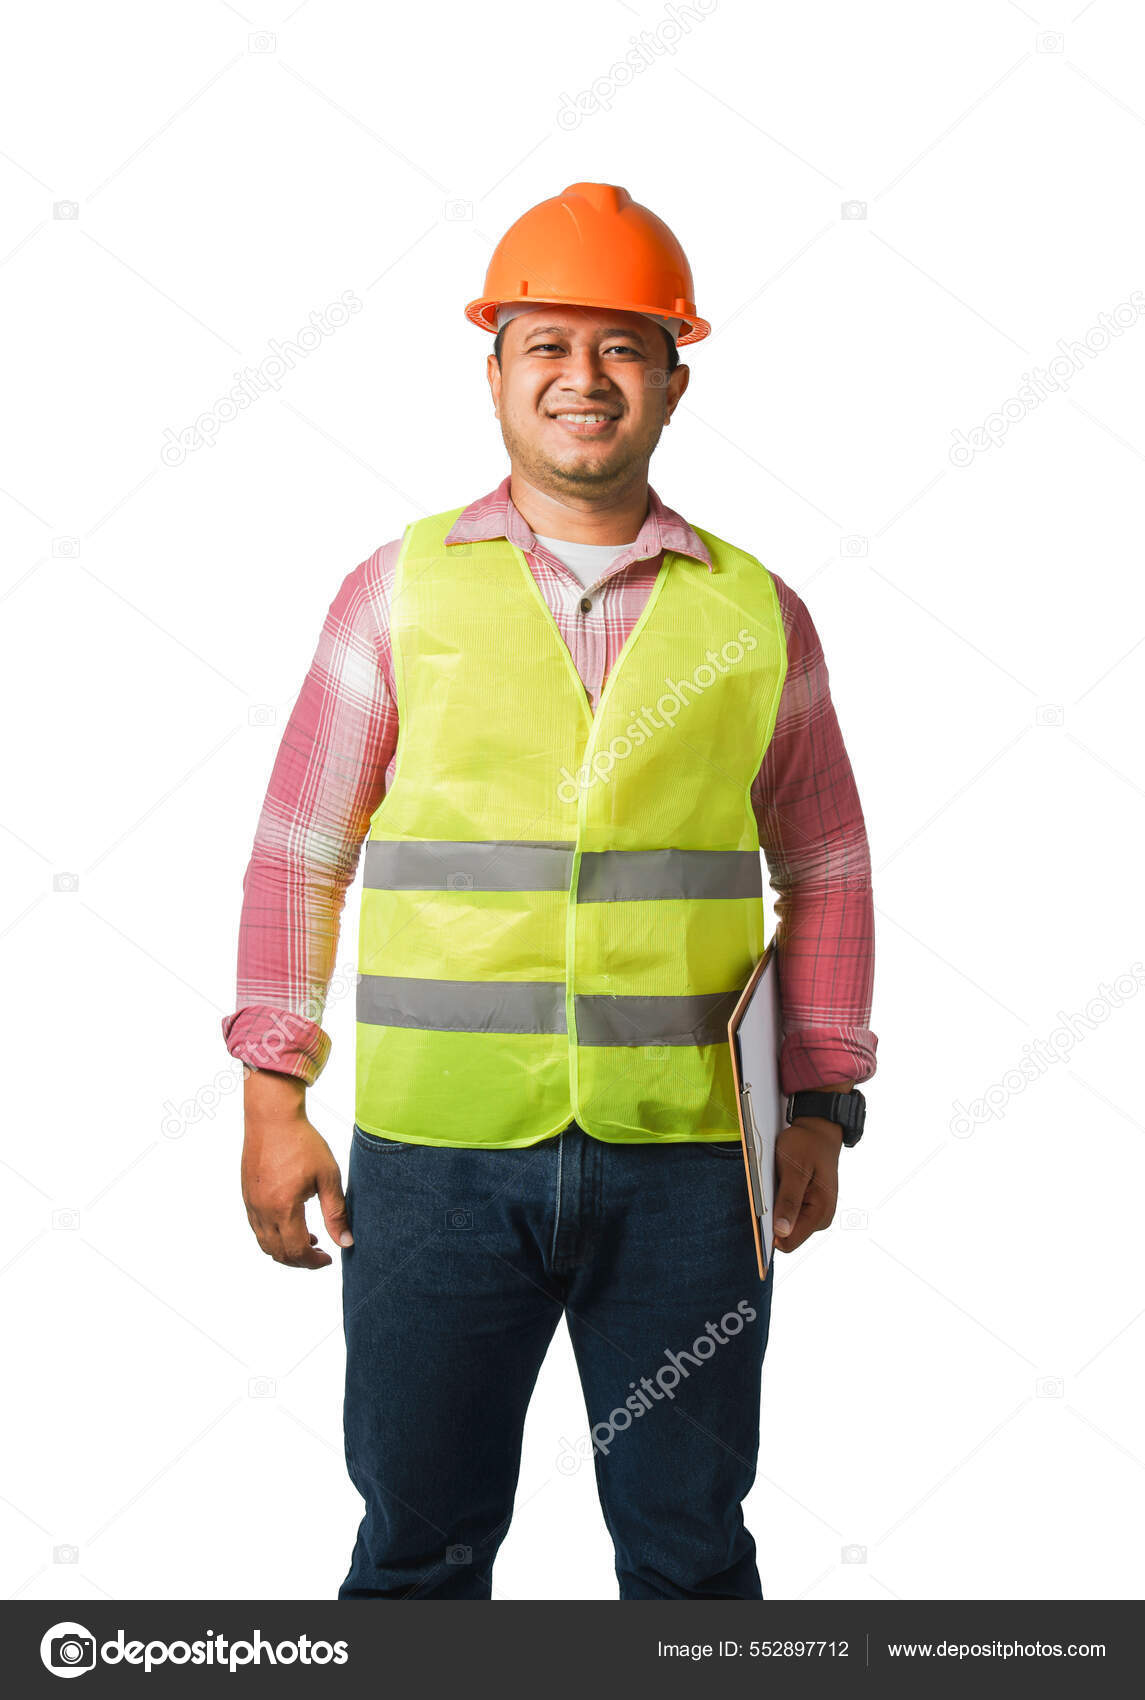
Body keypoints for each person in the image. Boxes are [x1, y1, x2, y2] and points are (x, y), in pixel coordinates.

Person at [223, 182, 878, 1600]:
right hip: (435, 1164)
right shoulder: (396, 592)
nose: (583, 378)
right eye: (546, 345)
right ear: (496, 372)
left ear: (673, 379)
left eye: (623, 347)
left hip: (693, 1168)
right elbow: (299, 848)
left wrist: (819, 1101)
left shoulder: (755, 612)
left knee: (691, 1556)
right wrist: (273, 1097)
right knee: (416, 1548)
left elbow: (824, 870)